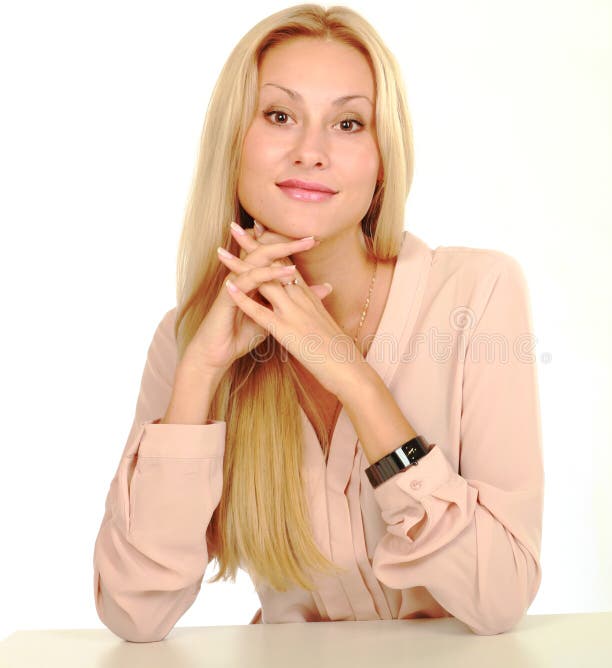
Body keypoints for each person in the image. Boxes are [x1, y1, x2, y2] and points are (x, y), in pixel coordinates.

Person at [93, 3, 544, 642]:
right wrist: (198, 376)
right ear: (234, 142)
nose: (310, 152)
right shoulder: (187, 341)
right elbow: (134, 615)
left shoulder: (477, 293)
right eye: (280, 116)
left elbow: (499, 598)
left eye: (348, 123)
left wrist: (352, 377)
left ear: (382, 160)